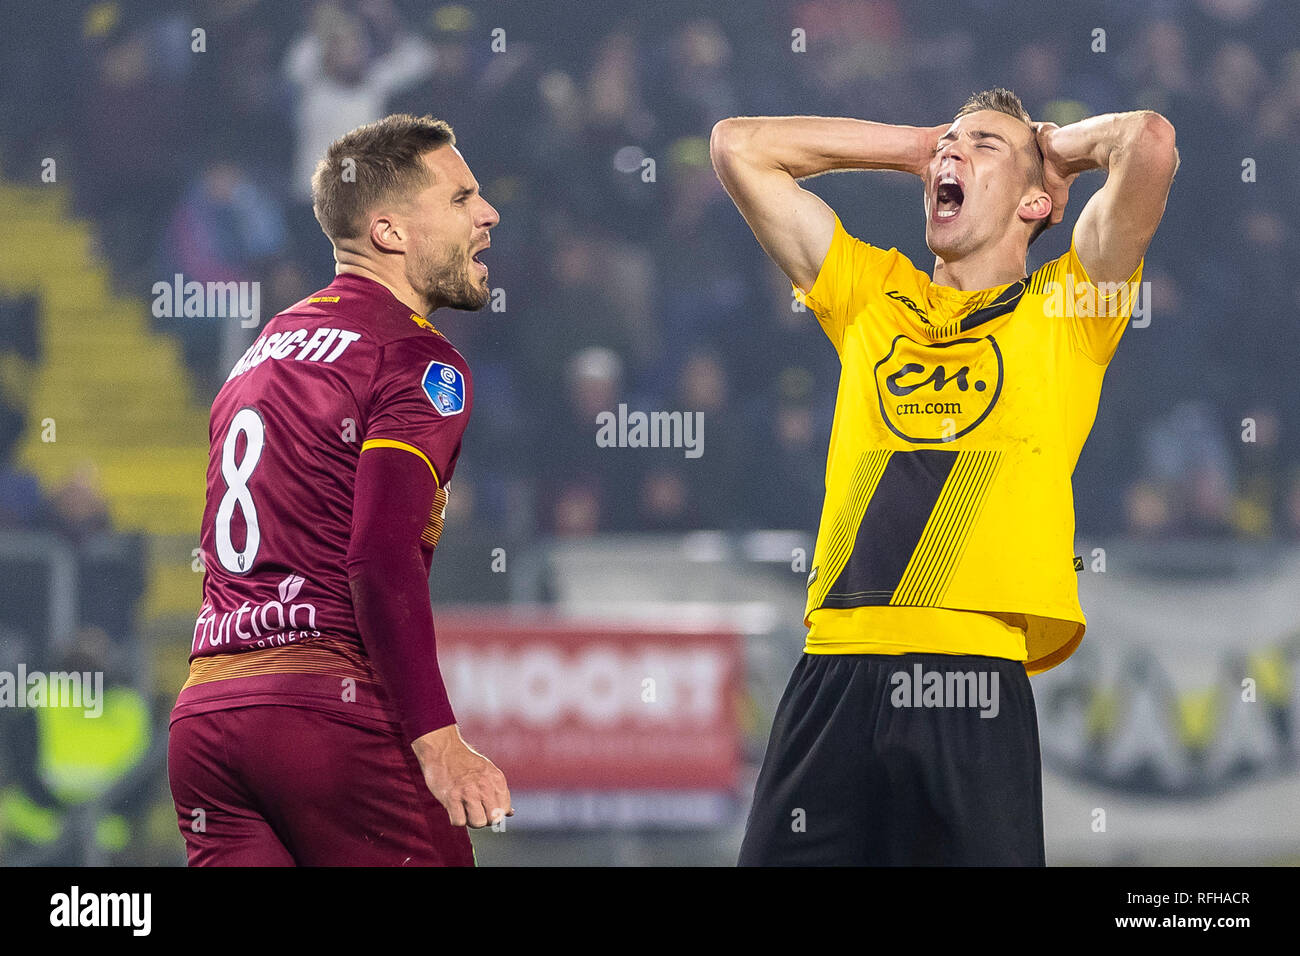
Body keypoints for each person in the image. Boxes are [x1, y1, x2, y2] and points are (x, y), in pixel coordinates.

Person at [710, 88, 1178, 865]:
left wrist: (1051, 150)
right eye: (949, 148)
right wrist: (915, 143)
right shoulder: (869, 293)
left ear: (1038, 202)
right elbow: (737, 147)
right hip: (836, 672)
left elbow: (1149, 143)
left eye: (983, 146)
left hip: (974, 685)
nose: (952, 156)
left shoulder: (1068, 308)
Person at [168, 113, 511, 866]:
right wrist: (438, 739)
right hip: (327, 711)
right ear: (389, 232)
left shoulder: (261, 351)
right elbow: (379, 558)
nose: (488, 214)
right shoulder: (416, 360)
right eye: (461, 199)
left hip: (207, 718)